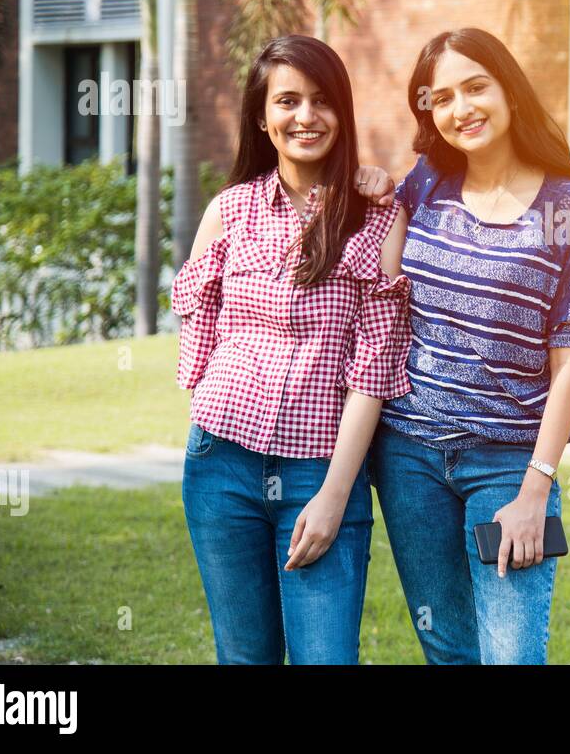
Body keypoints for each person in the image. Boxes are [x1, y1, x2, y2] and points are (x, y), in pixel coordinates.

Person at [364, 27, 570, 664]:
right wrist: (370, 188)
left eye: (475, 88)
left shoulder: (566, 207)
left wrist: (535, 489)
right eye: (441, 98)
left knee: (511, 655)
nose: (460, 109)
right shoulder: (425, 185)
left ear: (509, 90)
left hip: (507, 462)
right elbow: (383, 289)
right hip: (408, 455)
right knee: (447, 650)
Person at [171, 34, 411, 664]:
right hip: (221, 466)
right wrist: (207, 407)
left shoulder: (378, 219)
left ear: (344, 113)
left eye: (322, 100)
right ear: (262, 117)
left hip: (321, 471)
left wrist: (334, 494)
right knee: (245, 657)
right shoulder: (230, 211)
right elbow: (198, 328)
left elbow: (375, 370)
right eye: (288, 101)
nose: (306, 116)